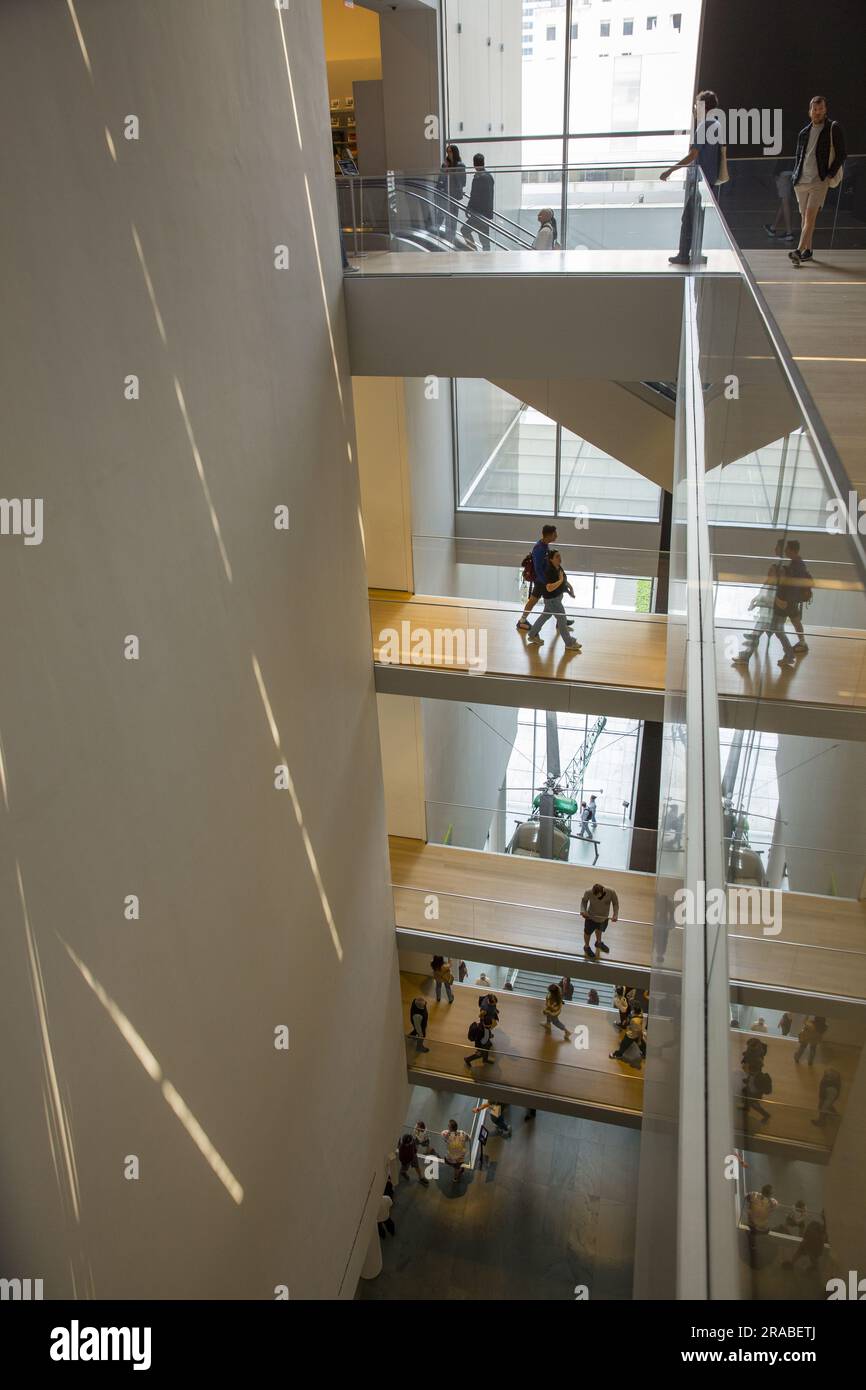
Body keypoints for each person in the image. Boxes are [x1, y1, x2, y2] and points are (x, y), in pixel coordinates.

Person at [661, 91, 725, 266]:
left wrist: (671, 170)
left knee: (688, 219)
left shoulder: (704, 126)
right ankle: (695, 252)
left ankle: (683, 255)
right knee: (698, 219)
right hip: (710, 180)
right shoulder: (717, 125)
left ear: (704, 106)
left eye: (697, 105)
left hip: (698, 180)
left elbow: (694, 154)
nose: (695, 109)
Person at [789, 97, 846, 266]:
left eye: (820, 109)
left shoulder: (833, 128)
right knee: (804, 218)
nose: (818, 112)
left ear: (825, 109)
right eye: (815, 109)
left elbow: (842, 154)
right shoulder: (803, 133)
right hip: (801, 180)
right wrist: (795, 176)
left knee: (810, 216)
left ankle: (798, 251)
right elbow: (799, 157)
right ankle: (808, 250)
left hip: (819, 180)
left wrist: (829, 174)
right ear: (810, 111)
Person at [526, 550, 581, 652]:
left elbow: (564, 580)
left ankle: (532, 634)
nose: (560, 558)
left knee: (544, 616)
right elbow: (549, 588)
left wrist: (570, 589)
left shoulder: (558, 567)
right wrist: (560, 581)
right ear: (551, 559)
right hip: (552, 600)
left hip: (555, 598)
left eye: (560, 556)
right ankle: (569, 643)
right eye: (557, 556)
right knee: (562, 620)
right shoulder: (549, 571)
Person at [518, 524, 561, 630]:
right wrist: (546, 583)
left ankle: (560, 620)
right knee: (552, 600)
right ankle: (560, 620)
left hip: (543, 580)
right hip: (541, 581)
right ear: (549, 535)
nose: (556, 536)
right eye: (555, 534)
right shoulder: (540, 548)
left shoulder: (544, 545)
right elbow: (538, 568)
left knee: (552, 599)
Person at [778, 539, 812, 653]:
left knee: (785, 623)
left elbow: (793, 585)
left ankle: (798, 645)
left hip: (790, 600)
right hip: (792, 599)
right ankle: (802, 642)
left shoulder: (797, 565)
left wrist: (786, 600)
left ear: (792, 550)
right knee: (795, 621)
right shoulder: (797, 563)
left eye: (787, 549)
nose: (785, 551)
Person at [461, 154, 495, 251]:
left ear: (475, 164)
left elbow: (475, 196)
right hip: (485, 214)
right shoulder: (488, 177)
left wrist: (469, 208)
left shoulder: (480, 178)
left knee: (465, 230)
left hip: (479, 214)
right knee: (484, 239)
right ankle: (485, 259)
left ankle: (473, 252)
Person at [580, 882, 619, 960]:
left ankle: (598, 943)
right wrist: (583, 911)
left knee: (599, 929)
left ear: (603, 890)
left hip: (603, 918)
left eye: (598, 895)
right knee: (587, 932)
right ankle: (586, 947)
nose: (596, 897)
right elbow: (584, 901)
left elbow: (615, 903)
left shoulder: (611, 892)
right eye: (595, 895)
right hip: (591, 917)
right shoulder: (588, 892)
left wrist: (615, 914)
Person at [437, 142, 466, 244]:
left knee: (452, 221)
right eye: (447, 152)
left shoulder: (460, 165)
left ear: (455, 152)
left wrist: (452, 171)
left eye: (450, 152)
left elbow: (463, 182)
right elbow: (441, 179)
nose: (448, 154)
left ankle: (451, 241)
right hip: (445, 196)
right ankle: (444, 241)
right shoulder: (445, 164)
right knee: (443, 218)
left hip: (454, 197)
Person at [745, 1184, 778, 1263]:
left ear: (762, 1190)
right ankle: (756, 1248)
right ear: (770, 1194)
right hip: (763, 1228)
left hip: (752, 1225)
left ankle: (752, 1247)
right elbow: (775, 1204)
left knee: (752, 1239)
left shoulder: (754, 1195)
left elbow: (746, 1197)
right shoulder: (772, 1203)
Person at [763, 167, 796, 242]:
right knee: (785, 201)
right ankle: (773, 227)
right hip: (794, 170)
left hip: (784, 171)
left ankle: (789, 233)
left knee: (785, 200)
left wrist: (776, 172)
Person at [441, 1119, 469, 1184]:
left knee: (452, 1164)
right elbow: (468, 1138)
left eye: (448, 1126)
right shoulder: (462, 1133)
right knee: (457, 1167)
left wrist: (449, 1132)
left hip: (450, 1158)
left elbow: (442, 1133)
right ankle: (455, 1178)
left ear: (450, 1128)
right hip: (460, 1157)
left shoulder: (447, 1135)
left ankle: (458, 1172)